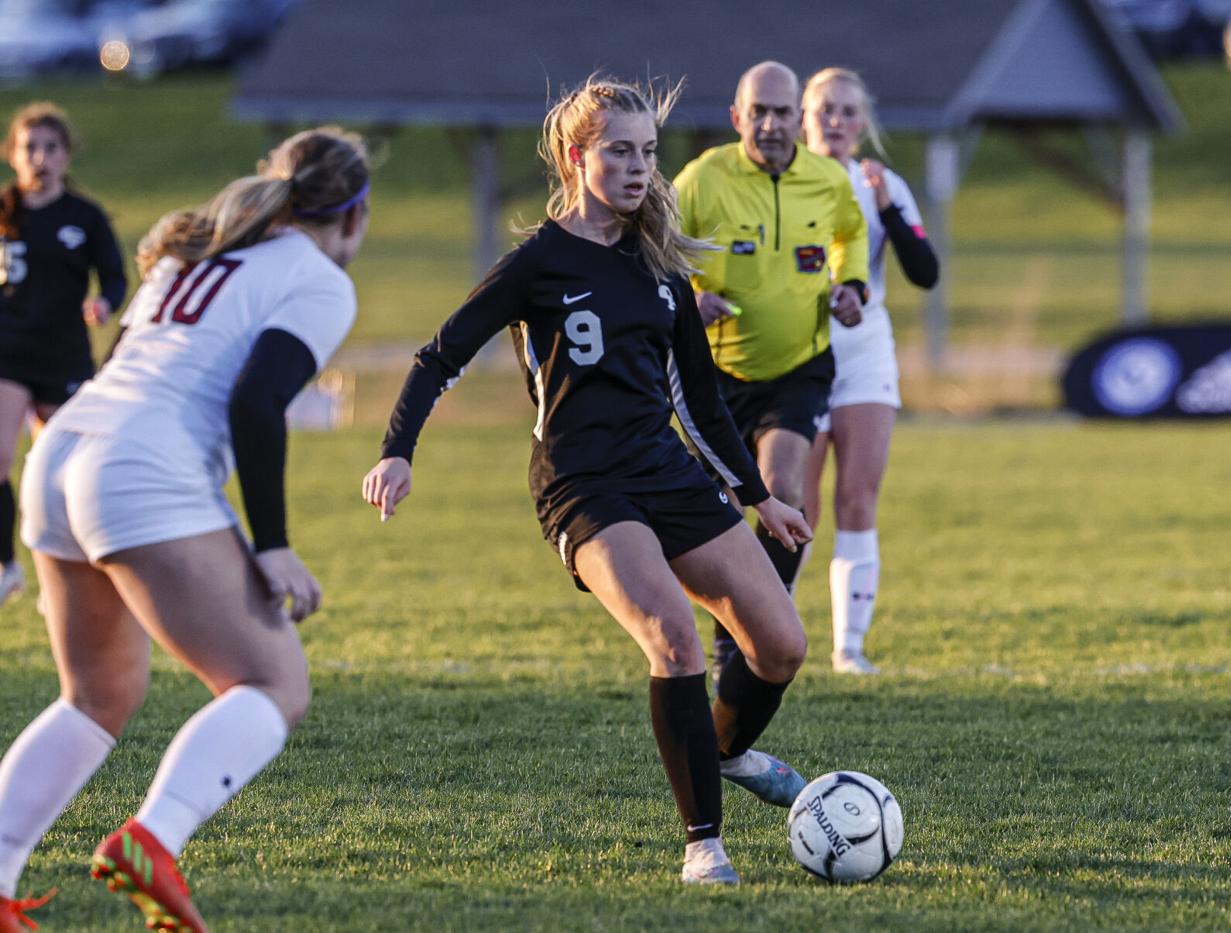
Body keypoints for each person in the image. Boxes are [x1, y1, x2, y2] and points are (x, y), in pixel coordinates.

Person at [362, 77, 810, 886]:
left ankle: (721, 752)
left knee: (781, 646)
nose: (639, 168)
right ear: (577, 157)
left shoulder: (660, 268)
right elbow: (439, 357)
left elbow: (698, 399)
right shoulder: (537, 262)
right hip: (581, 484)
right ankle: (702, 844)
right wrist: (399, 449)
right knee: (672, 639)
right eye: (619, 152)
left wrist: (758, 496)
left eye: (647, 153)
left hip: (662, 470)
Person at [0, 126, 370, 933]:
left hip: (61, 447)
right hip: (138, 463)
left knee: (96, 695)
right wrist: (270, 541)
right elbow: (252, 402)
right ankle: (152, 839)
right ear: (354, 212)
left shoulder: (195, 247)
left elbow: (127, 358)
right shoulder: (317, 276)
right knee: (273, 683)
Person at [672, 61, 869, 676]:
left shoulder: (826, 180)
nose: (771, 124)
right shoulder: (704, 179)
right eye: (758, 111)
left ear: (798, 119)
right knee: (724, 512)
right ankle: (736, 627)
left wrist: (852, 286)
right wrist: (686, 299)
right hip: (717, 374)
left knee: (784, 491)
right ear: (737, 117)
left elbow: (850, 234)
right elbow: (655, 244)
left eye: (782, 112)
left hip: (798, 367)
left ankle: (761, 624)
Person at [799, 68, 939, 675]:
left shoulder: (881, 182)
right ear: (804, 117)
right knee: (793, 509)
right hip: (795, 354)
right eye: (825, 109)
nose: (836, 121)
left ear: (864, 122)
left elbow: (926, 271)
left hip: (863, 353)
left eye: (849, 112)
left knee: (858, 495)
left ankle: (849, 649)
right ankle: (762, 640)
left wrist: (887, 206)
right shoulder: (782, 185)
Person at [0, 102, 127, 605]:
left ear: (66, 155)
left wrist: (103, 302)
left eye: (51, 148)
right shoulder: (4, 212)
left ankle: (69, 573)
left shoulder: (85, 217)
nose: (40, 158)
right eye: (30, 147)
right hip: (8, 351)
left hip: (64, 355)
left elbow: (115, 277)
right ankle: (7, 566)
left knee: (60, 470)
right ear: (13, 155)